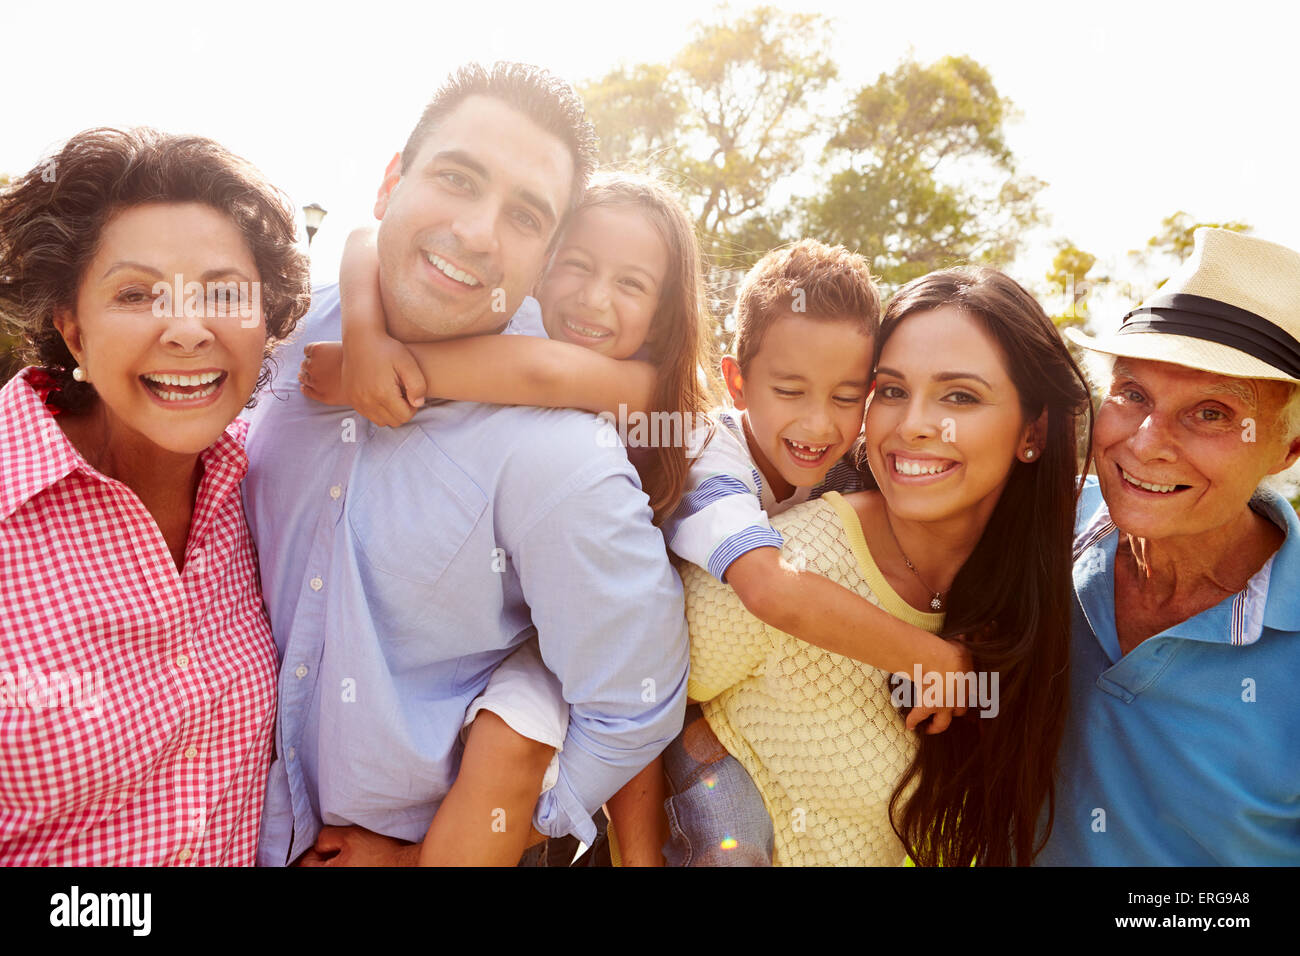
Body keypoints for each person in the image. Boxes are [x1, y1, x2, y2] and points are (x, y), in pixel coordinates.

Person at [302, 224, 974, 864]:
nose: (818, 423)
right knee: (524, 746)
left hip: (657, 663)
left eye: (846, 397)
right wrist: (933, 658)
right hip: (579, 639)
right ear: (737, 383)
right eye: (790, 390)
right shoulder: (711, 458)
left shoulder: (846, 465)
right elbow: (769, 589)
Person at [241, 61, 691, 867]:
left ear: (543, 255)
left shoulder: (559, 457)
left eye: (524, 215)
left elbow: (633, 706)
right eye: (457, 177)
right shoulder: (280, 333)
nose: (480, 233)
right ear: (391, 181)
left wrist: (459, 844)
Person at [676, 266, 1091, 865]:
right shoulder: (787, 554)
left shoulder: (1036, 597)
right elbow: (619, 704)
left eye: (960, 396)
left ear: (1035, 430)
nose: (914, 425)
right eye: (893, 390)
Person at [0, 127, 311, 864]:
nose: (187, 330)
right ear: (72, 330)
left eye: (224, 292)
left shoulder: (271, 482)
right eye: (135, 294)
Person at [1037, 228, 1300, 865]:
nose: (1147, 442)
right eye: (1133, 395)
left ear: (1287, 448)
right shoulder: (1041, 530)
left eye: (1211, 413)